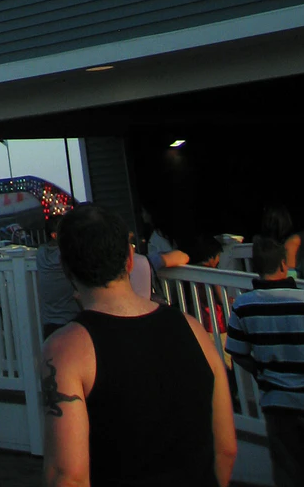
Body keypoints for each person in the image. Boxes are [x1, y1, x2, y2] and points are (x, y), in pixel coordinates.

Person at [41, 203, 236, 487]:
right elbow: (226, 449)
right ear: (130, 259)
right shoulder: (193, 329)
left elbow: (67, 476)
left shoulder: (65, 351)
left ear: (66, 268)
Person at [225, 233, 304, 487]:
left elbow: (237, 353)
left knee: (288, 473)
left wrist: (261, 373)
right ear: (284, 265)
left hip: (276, 403)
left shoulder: (243, 305)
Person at [37, 215, 81, 338]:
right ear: (54, 235)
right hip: (71, 322)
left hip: (49, 324)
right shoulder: (66, 254)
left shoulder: (41, 253)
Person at [261, 206, 303, 281]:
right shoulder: (292, 245)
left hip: (264, 289)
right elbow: (292, 278)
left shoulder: (259, 248)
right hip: (290, 289)